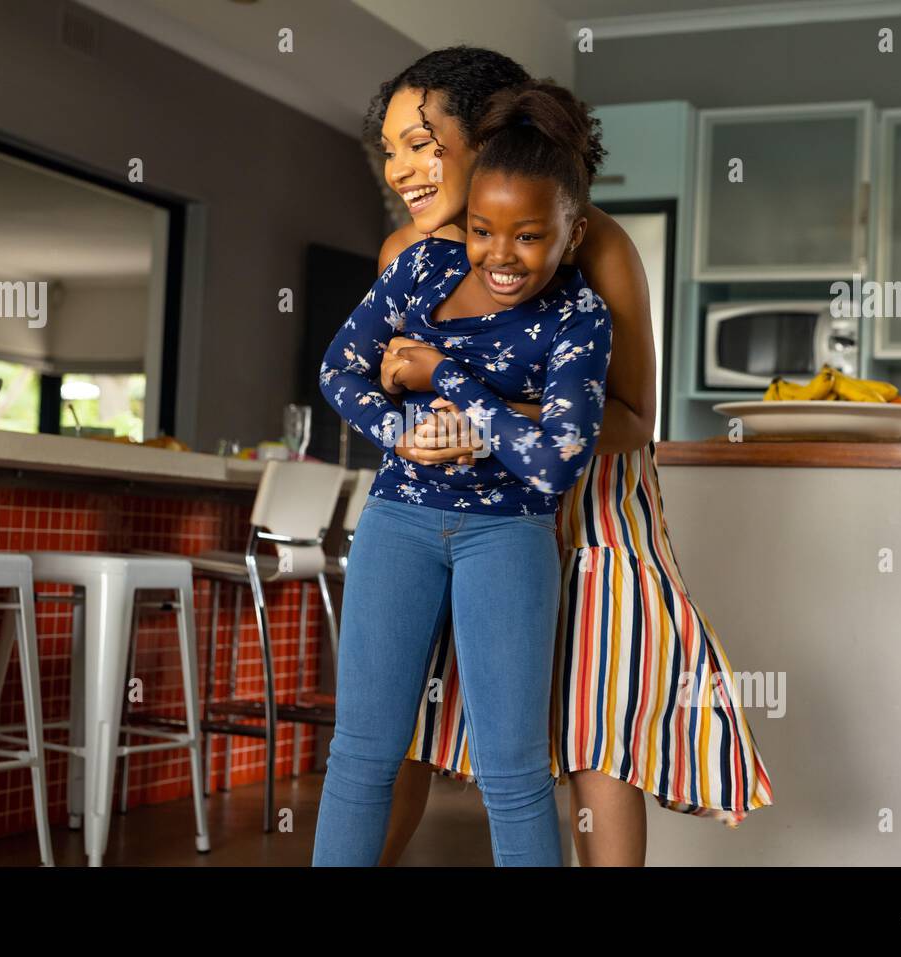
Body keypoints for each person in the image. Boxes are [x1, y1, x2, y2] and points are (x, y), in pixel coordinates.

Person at [365, 47, 774, 868]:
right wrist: (419, 426)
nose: (400, 168)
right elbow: (384, 386)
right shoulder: (404, 258)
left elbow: (631, 417)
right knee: (410, 718)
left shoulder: (599, 246)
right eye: (389, 148)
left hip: (594, 515)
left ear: (481, 138)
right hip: (464, 508)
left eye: (420, 141)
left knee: (598, 716)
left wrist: (495, 415)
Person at [312, 81, 613, 867]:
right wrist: (402, 434)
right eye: (484, 230)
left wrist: (447, 376)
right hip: (395, 522)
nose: (502, 256)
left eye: (528, 237)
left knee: (514, 773)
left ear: (571, 235)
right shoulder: (419, 270)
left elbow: (556, 460)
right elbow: (340, 369)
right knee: (361, 754)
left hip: (508, 535)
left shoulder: (579, 316)